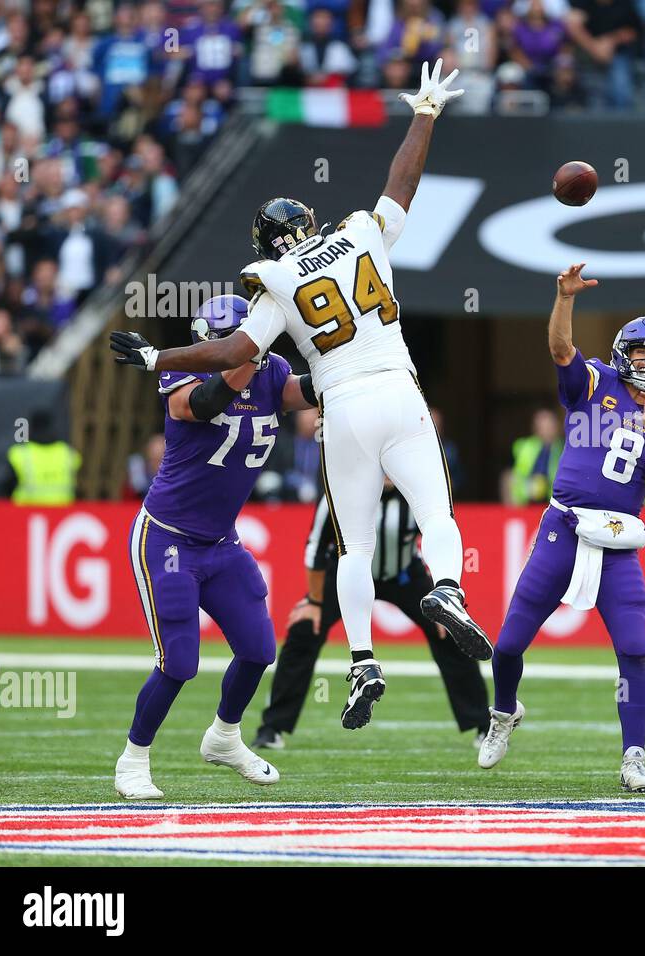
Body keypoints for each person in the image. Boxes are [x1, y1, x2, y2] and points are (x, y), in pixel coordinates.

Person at [110, 61, 491, 737]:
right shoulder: (360, 232)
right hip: (399, 390)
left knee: (352, 549)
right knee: (437, 512)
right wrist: (425, 114)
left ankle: (363, 661)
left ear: (262, 247)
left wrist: (156, 357)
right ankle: (450, 590)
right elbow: (402, 185)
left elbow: (235, 354)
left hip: (340, 405)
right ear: (312, 221)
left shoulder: (274, 279)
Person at [478, 262, 645, 792]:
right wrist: (565, 299)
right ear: (624, 353)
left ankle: (634, 756)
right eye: (641, 352)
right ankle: (504, 711)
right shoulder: (595, 382)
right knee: (507, 645)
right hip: (564, 528)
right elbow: (560, 350)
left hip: (619, 540)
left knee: (634, 649)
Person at [114, 295, 314, 800]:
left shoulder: (272, 371)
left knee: (258, 649)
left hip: (221, 542)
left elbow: (303, 393)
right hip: (167, 536)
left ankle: (224, 737)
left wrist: (355, 372)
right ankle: (134, 758)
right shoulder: (187, 377)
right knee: (179, 662)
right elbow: (198, 406)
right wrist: (238, 360)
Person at [253, 479, 491, 750]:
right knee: (305, 629)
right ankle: (272, 727)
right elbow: (316, 546)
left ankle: (482, 723)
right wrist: (315, 602)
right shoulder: (342, 488)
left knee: (450, 630)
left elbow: (441, 541)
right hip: (346, 575)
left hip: (403, 575)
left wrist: (441, 589)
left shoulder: (417, 491)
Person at [4, 410, 81, 505]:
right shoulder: (69, 454)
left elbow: (7, 487)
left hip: (26, 513)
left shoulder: (18, 454)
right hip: (62, 513)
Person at [505, 408, 563, 506]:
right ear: (536, 428)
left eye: (549, 425)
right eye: (543, 426)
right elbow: (514, 475)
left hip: (554, 504)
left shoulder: (563, 448)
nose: (546, 430)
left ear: (557, 427)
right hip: (525, 502)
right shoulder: (525, 447)